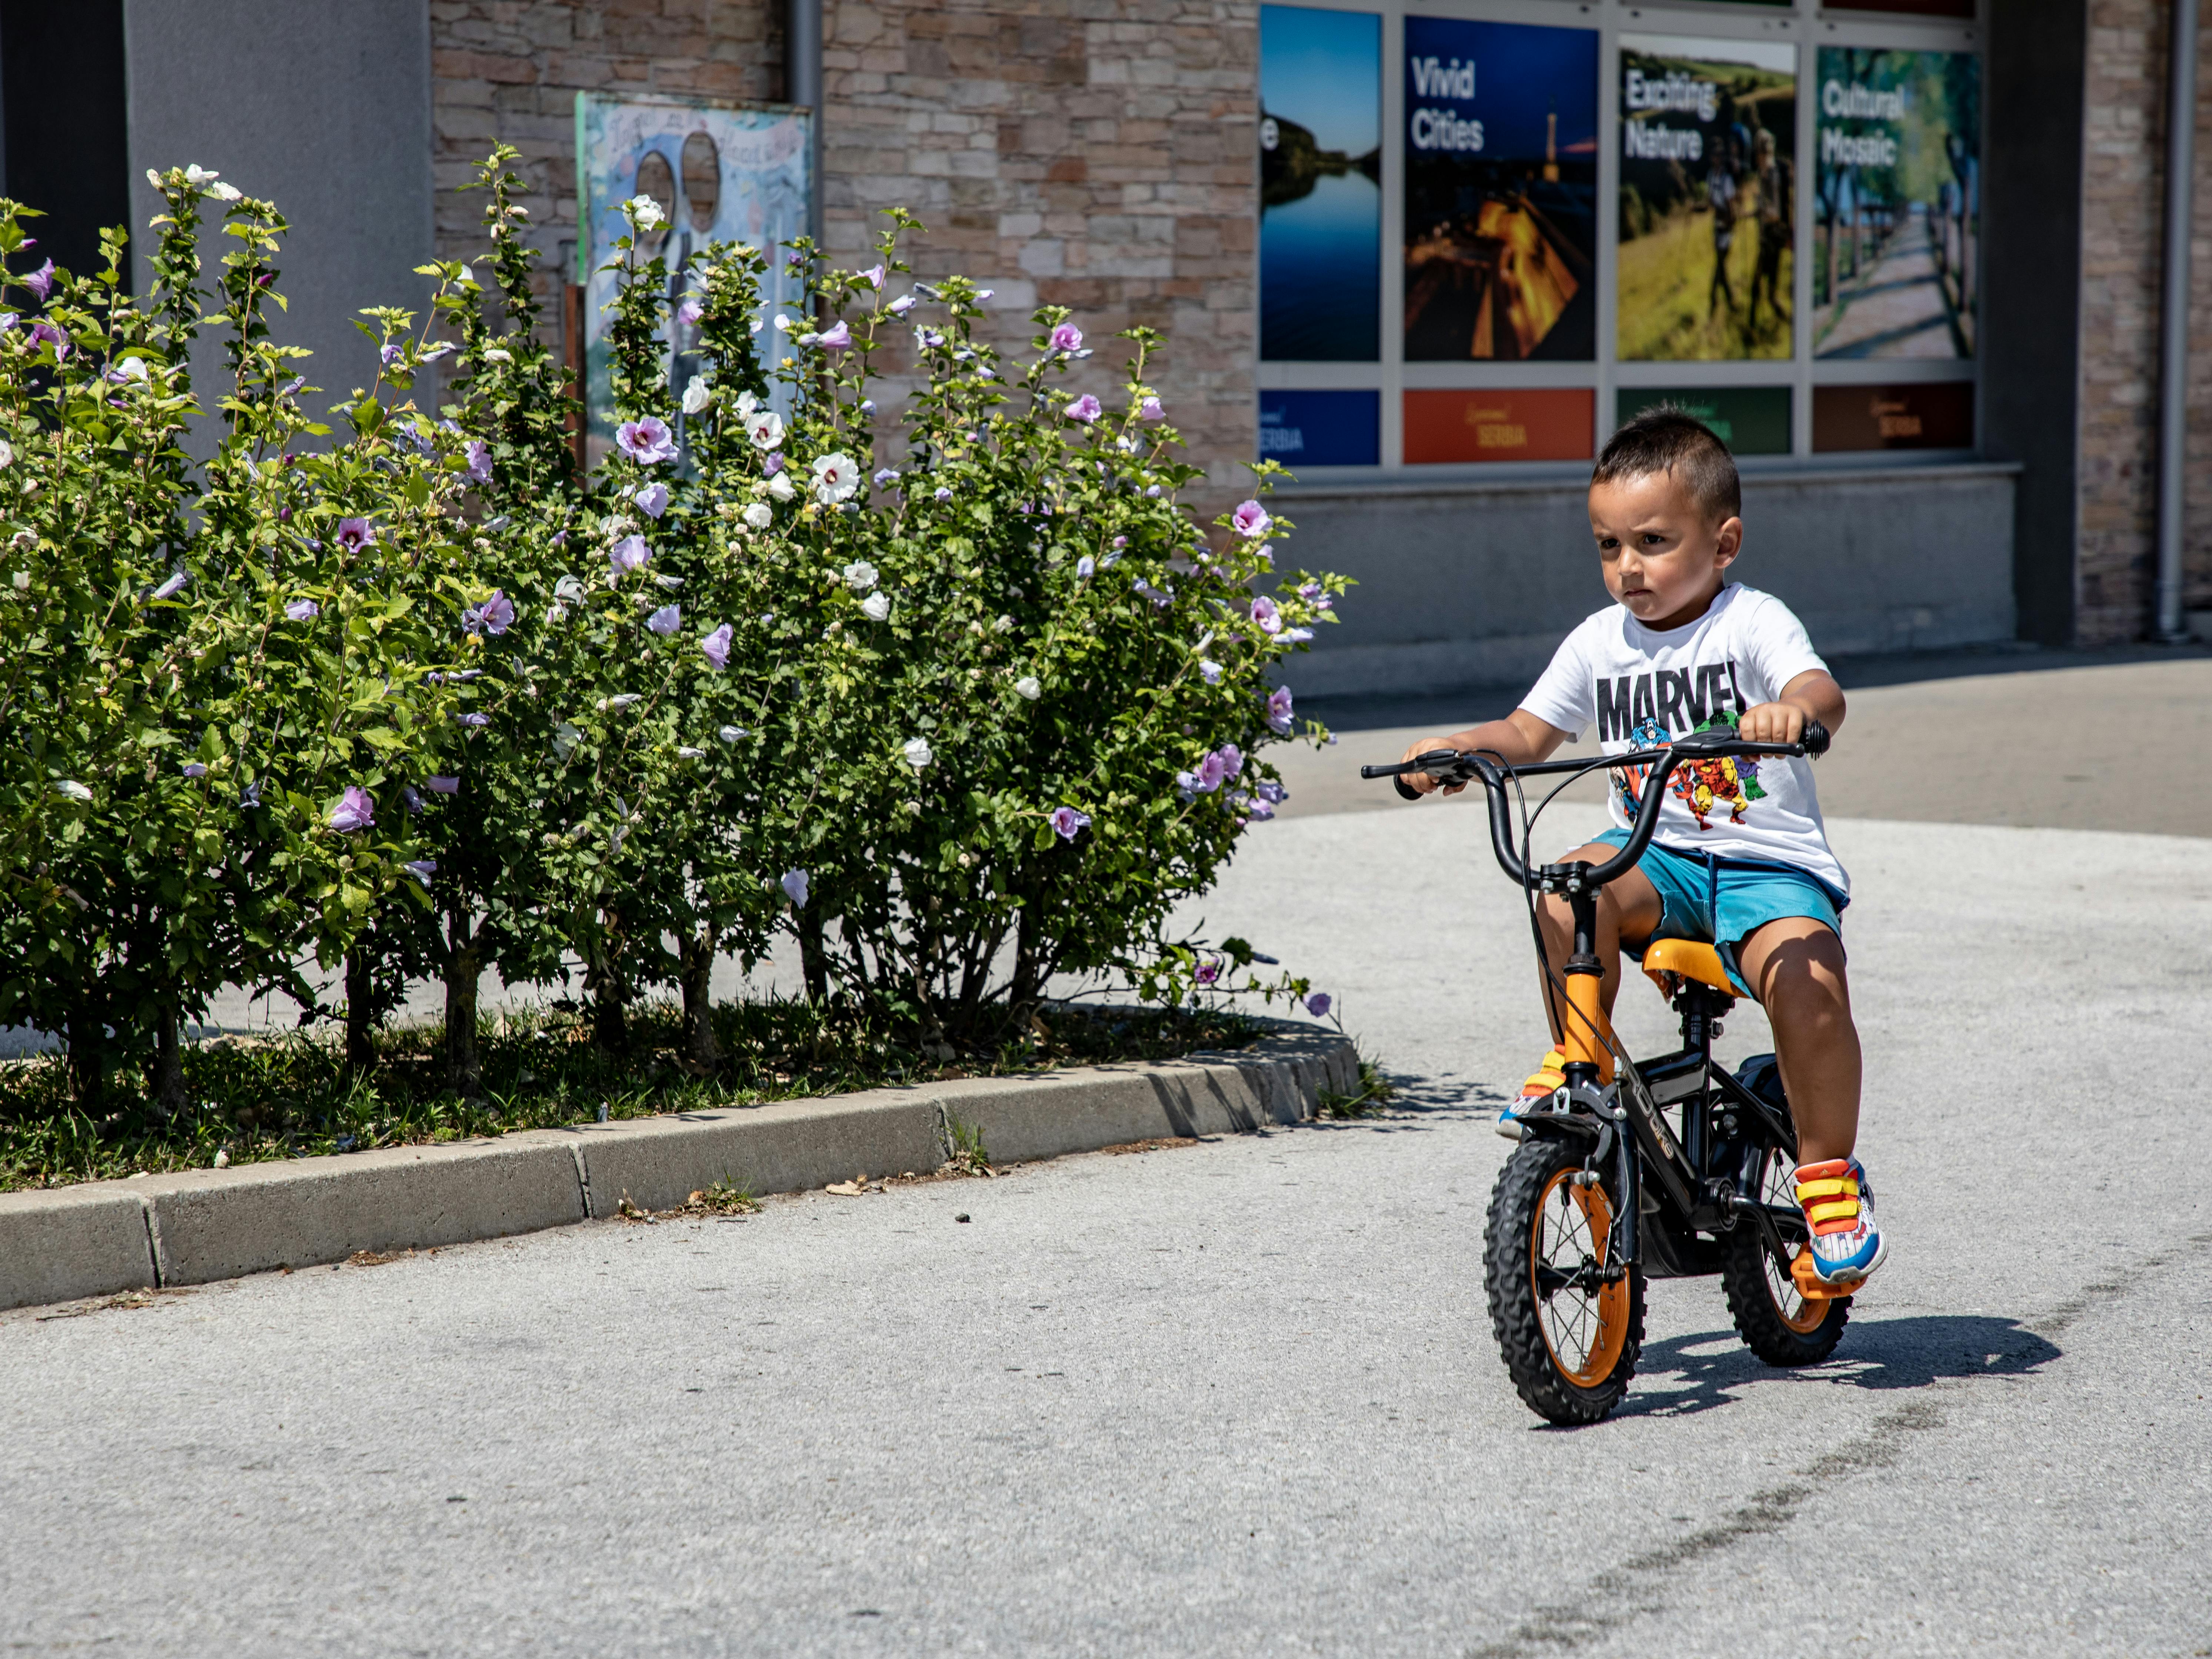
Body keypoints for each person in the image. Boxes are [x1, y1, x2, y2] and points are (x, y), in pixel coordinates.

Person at [1395, 410, 1885, 1288]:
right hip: (1650, 855)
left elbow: (1820, 690)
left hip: (1761, 861)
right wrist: (1456, 753)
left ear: (1723, 540)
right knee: (1563, 887)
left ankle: (1824, 1180)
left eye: (1653, 542)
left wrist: (1793, 714)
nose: (1628, 567)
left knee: (1807, 981)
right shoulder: (1597, 641)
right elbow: (1525, 731)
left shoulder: (1750, 622)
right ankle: (1579, 1060)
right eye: (1608, 545)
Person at [1748, 128, 1791, 337]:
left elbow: (1774, 211)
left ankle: (1783, 326)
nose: (1759, 156)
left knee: (1764, 291)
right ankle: (1755, 327)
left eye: (1761, 152)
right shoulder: (1762, 173)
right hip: (1766, 236)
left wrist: (1760, 210)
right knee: (1760, 289)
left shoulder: (1772, 174)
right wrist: (1752, 213)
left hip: (1774, 237)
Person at [1706, 135, 1738, 320]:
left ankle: (1713, 302)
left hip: (1726, 228)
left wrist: (1729, 223)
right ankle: (1731, 302)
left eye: (1718, 156)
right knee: (1721, 267)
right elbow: (1710, 201)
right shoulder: (1711, 177)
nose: (1715, 159)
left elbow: (1731, 206)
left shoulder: (1727, 180)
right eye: (1713, 156)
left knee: (1719, 265)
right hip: (1716, 226)